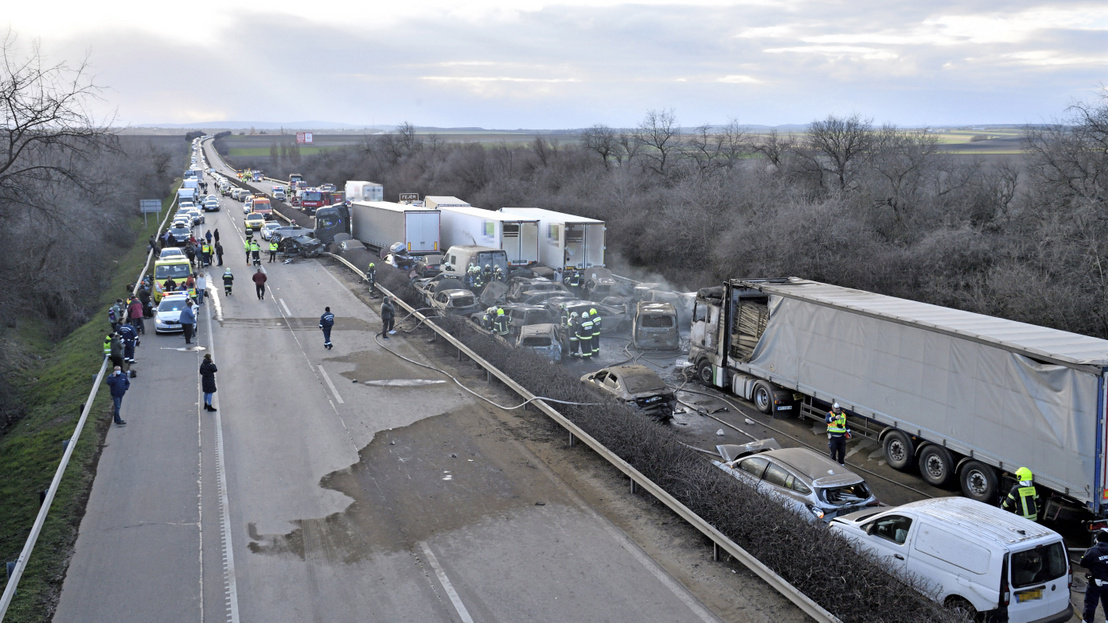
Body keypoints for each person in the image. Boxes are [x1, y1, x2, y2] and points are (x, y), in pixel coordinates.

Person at [1082, 530, 1108, 623]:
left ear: (1097, 539)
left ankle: (1087, 621)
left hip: (1096, 583)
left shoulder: (1092, 551)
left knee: (1090, 605)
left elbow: (1083, 563)